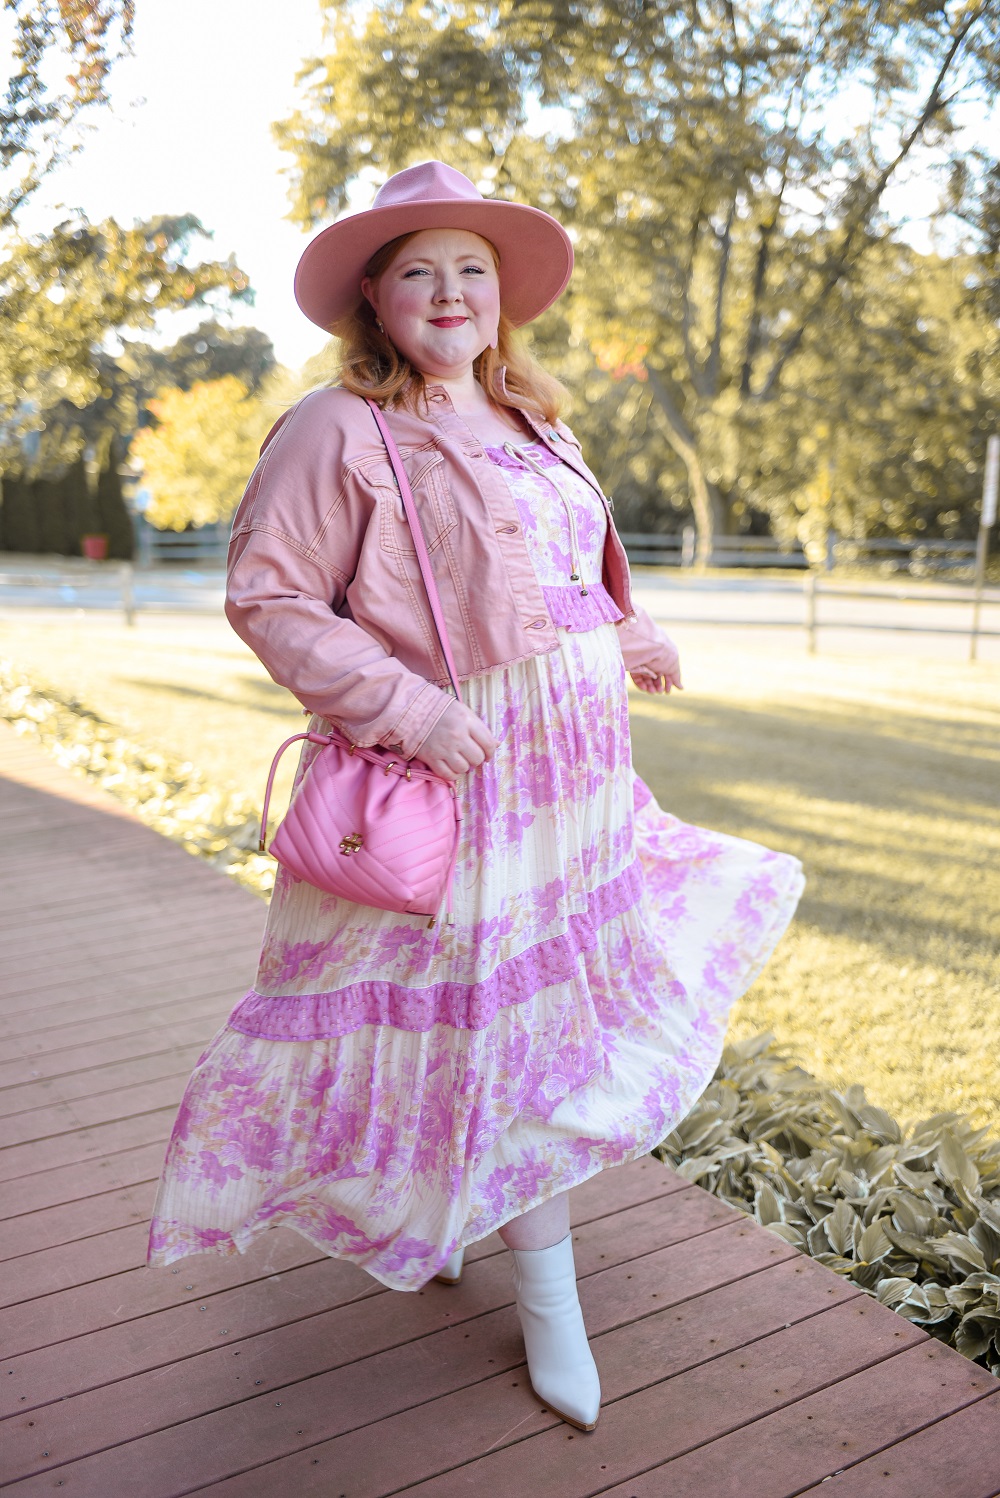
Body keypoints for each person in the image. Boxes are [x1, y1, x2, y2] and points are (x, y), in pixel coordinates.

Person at [148, 160, 804, 1433]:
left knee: (541, 1013)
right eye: (417, 271)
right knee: (494, 1027)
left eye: (471, 270)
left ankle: (464, 1215)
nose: (449, 292)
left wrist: (628, 627)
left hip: (574, 778)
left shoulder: (532, 419)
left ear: (502, 297)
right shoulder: (336, 426)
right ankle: (547, 1297)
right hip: (454, 776)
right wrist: (407, 708)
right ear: (375, 301)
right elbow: (269, 596)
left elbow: (548, 580)